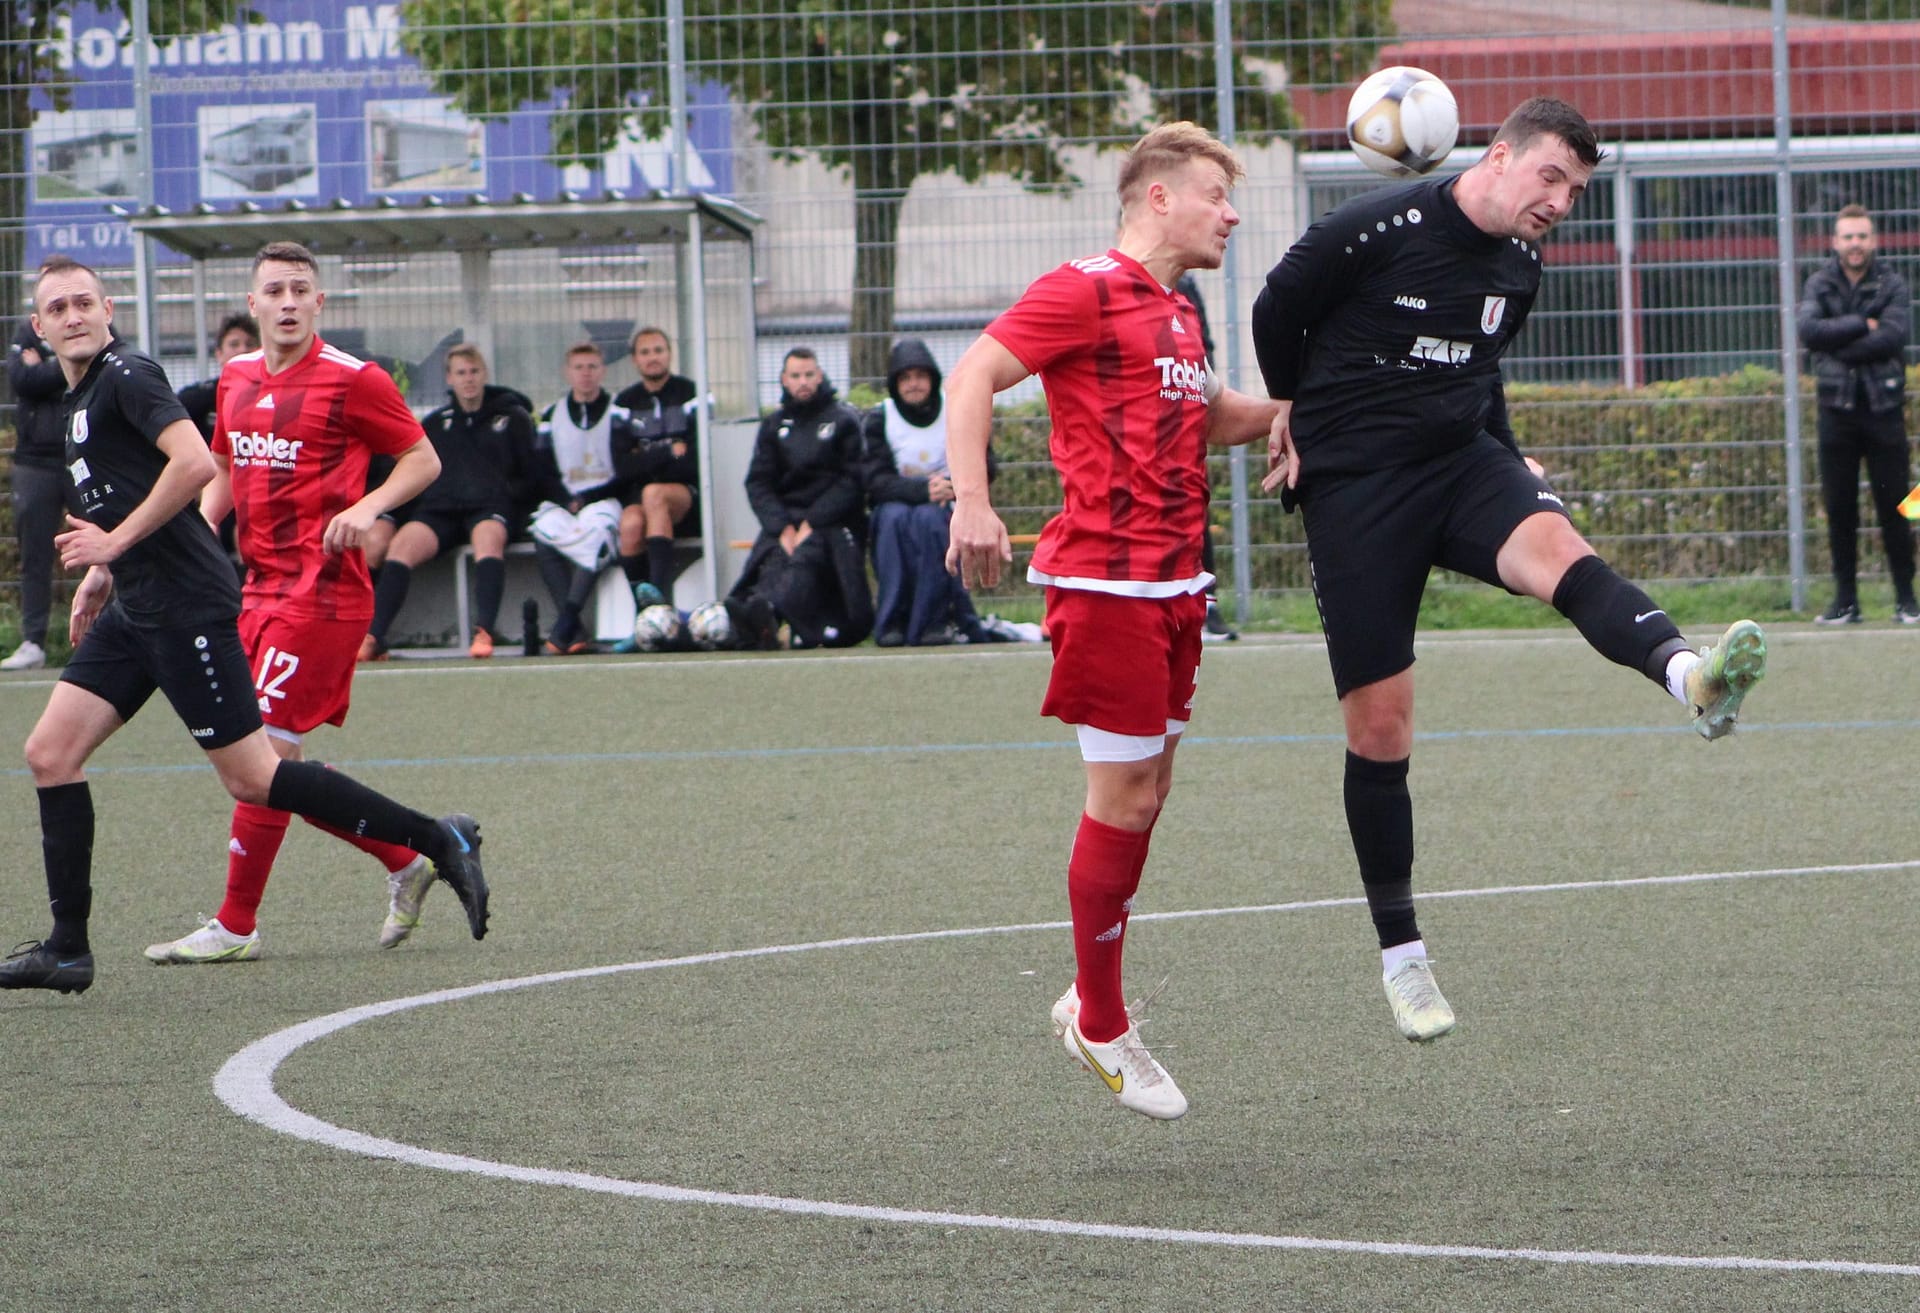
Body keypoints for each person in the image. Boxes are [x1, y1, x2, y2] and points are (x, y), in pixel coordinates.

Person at [1249, 97, 1767, 1045]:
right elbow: (1275, 308)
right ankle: (1403, 959)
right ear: (1499, 156)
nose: (1561, 202)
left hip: (1461, 463)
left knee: (1562, 553)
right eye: (1551, 177)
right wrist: (1290, 407)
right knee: (1381, 727)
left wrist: (1508, 449)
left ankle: (1692, 677)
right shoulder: (1372, 229)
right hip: (1356, 487)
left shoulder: (1521, 264)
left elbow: (1480, 364)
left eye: (1576, 189)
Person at [0, 255, 488, 997]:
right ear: (38, 326)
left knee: (258, 776)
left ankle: (427, 841)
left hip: (204, 605)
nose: (73, 317)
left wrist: (117, 543)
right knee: (49, 752)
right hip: (149, 601)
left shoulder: (128, 374)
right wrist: (111, 565)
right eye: (58, 308)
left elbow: (193, 463)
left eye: (84, 303)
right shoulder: (100, 393)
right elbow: (200, 475)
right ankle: (68, 949)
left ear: (108, 310)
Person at [946, 123, 1282, 1119]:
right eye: (1217, 194)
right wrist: (973, 501)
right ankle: (1099, 1018)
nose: (1231, 214)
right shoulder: (1084, 288)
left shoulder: (1177, 311)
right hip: (1107, 586)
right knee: (1125, 797)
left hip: (1178, 587)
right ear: (1160, 197)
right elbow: (973, 375)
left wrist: (1305, 409)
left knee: (1149, 790)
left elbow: (1214, 414)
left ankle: (1088, 990)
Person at [142, 241, 470, 962]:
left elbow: (423, 459)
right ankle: (407, 857)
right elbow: (224, 463)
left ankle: (236, 926)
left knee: (265, 755)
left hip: (323, 595)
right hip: (255, 591)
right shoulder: (235, 377)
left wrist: (371, 506)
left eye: (300, 290)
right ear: (252, 304)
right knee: (266, 770)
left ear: (319, 302)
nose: (287, 302)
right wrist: (201, 528)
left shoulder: (354, 379)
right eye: (274, 290)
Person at [357, 344, 547, 660]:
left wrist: (507, 497)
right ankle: (373, 637)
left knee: (488, 538)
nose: (468, 379)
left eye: (474, 372)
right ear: (449, 378)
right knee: (402, 545)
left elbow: (532, 473)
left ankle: (484, 632)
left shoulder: (512, 417)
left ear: (484, 374)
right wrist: (391, 514)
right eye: (461, 373)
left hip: (488, 508)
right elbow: (415, 470)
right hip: (441, 510)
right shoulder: (435, 423)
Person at [1795, 203, 1917, 625]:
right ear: (1835, 241)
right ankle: (1846, 602)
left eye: (1862, 236)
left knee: (1898, 507)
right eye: (1848, 236)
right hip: (1836, 413)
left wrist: (1837, 344)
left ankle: (1907, 600)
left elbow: (1893, 337)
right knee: (1840, 508)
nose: (1855, 243)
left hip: (1884, 411)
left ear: (1873, 240)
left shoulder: (1892, 283)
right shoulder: (1819, 283)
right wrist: (1863, 324)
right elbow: (1809, 331)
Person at [723, 348, 872, 650]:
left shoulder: (843, 420)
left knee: (804, 557)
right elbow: (758, 482)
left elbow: (853, 481)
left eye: (808, 374)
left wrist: (813, 521)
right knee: (775, 557)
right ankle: (751, 614)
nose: (803, 381)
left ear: (819, 376)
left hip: (833, 522)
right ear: (784, 380)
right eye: (796, 376)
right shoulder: (773, 425)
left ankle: (769, 611)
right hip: (786, 522)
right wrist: (781, 526)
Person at [862, 337, 994, 647]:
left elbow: (986, 463)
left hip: (946, 505)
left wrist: (955, 487)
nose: (913, 384)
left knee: (930, 520)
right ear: (895, 384)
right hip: (897, 506)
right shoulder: (880, 418)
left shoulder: (956, 410)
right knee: (893, 519)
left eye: (920, 376)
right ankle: (893, 621)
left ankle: (933, 621)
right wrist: (922, 490)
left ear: (932, 379)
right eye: (905, 378)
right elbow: (874, 480)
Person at [529, 342, 643, 653]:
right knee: (543, 532)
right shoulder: (552, 414)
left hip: (604, 500)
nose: (586, 374)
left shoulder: (619, 413)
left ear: (602, 371)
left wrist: (590, 496)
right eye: (579, 367)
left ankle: (564, 623)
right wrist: (565, 499)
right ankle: (576, 631)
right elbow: (542, 468)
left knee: (597, 535)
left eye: (592, 366)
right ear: (568, 372)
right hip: (566, 500)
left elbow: (626, 469)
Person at [612, 326, 700, 610]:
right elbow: (623, 466)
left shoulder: (691, 393)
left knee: (654, 494)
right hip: (642, 496)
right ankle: (644, 615)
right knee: (630, 524)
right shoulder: (624, 403)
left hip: (687, 496)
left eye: (658, 350)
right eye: (645, 352)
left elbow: (696, 461)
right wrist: (668, 452)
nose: (653, 357)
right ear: (635, 359)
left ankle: (661, 606)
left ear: (669, 354)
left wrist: (646, 457)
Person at [1173, 272, 1238, 642]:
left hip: (1183, 426)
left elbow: (1203, 353)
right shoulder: (1103, 287)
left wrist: (1285, 414)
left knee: (1193, 502)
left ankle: (1205, 603)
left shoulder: (1184, 288)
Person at [175, 311, 260, 576]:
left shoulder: (272, 399)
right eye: (234, 344)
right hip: (211, 490)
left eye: (249, 344)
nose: (242, 350)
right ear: (219, 354)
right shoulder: (198, 399)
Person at [4, 316, 68, 671]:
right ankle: (33, 642)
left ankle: (118, 637)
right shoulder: (25, 332)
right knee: (34, 554)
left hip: (82, 457)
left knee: (106, 549)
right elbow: (22, 380)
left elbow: (92, 374)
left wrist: (45, 367)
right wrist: (63, 367)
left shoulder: (91, 325)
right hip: (33, 463)